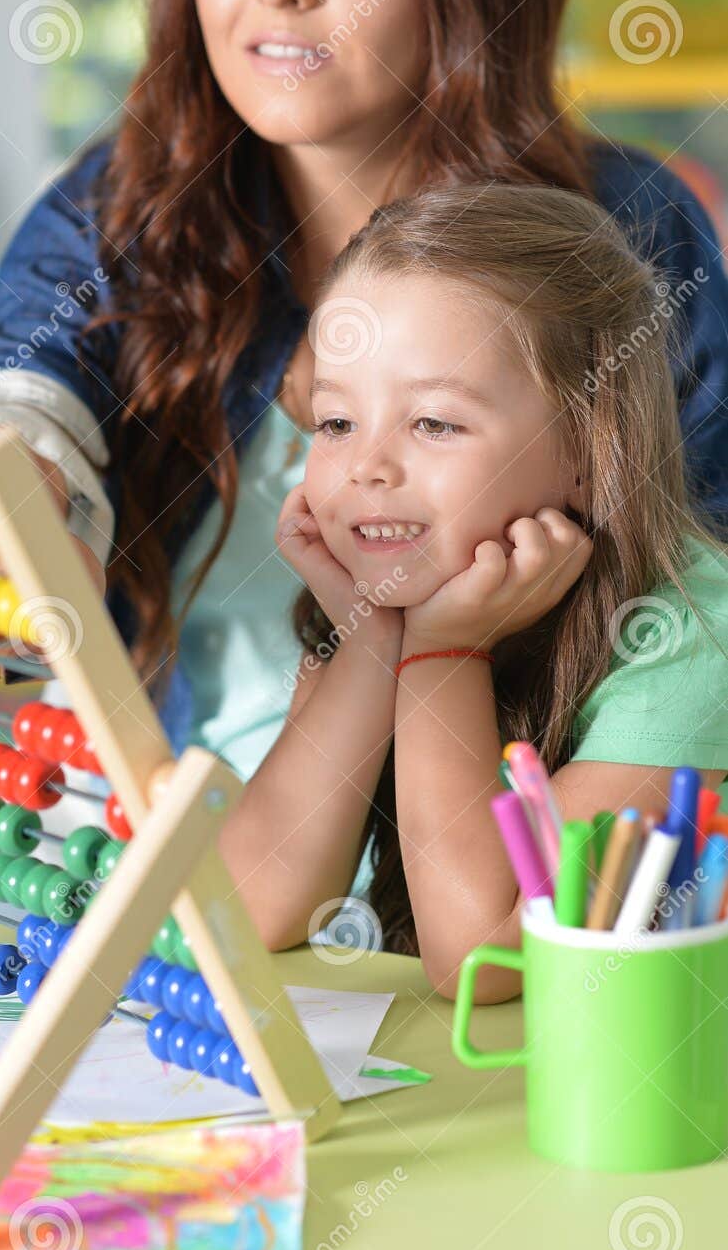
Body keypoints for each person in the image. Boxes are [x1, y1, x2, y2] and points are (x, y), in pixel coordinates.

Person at [0, 0, 728, 926]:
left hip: (523, 895)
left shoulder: (623, 234)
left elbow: (695, 569)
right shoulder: (127, 210)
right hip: (227, 862)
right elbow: (21, 399)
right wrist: (6, 515)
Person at [217, 183, 728, 998]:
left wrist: (444, 654)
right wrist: (373, 637)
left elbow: (485, 955)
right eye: (336, 423)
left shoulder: (695, 638)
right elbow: (248, 907)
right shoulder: (382, 602)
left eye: (434, 424)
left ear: (585, 448)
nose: (366, 468)